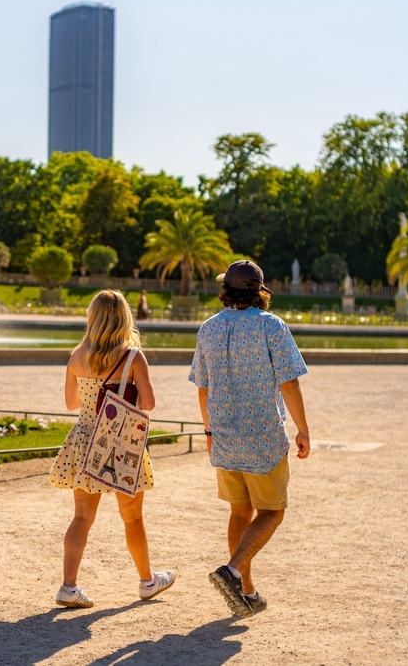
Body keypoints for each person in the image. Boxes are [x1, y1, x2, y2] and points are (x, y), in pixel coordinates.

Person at [189, 260, 310, 618]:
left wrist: (209, 431)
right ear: (259, 291)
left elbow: (202, 388)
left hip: (224, 436)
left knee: (240, 511)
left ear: (226, 290)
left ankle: (246, 589)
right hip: (263, 438)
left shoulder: (208, 328)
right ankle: (232, 571)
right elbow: (289, 382)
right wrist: (303, 428)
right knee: (272, 511)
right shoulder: (272, 326)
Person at [49, 290, 175, 609]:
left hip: (85, 438)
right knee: (132, 518)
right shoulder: (133, 357)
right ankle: (147, 581)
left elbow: (70, 403)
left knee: (81, 517)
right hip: (120, 442)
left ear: (92, 318)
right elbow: (148, 404)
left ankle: (69, 587)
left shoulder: (77, 355)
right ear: (124, 319)